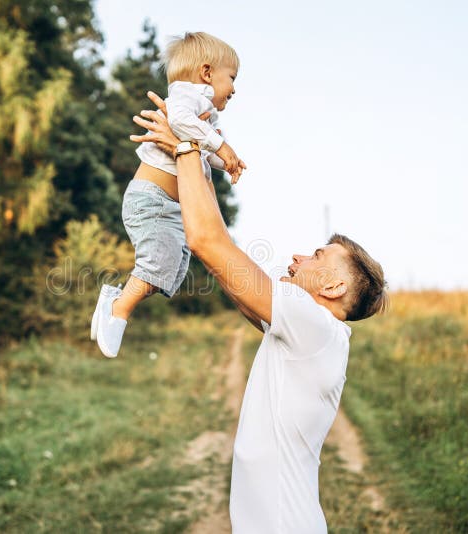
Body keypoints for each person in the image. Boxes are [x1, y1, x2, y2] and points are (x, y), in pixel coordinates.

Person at [129, 92, 388, 533]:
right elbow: (223, 254)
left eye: (315, 256)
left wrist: (188, 146)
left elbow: (208, 245)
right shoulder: (309, 331)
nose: (297, 258)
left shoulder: (314, 325)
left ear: (334, 285)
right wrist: (201, 160)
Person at [91, 31, 247, 358]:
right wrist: (222, 145)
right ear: (206, 74)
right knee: (159, 263)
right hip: (151, 201)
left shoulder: (203, 113)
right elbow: (178, 120)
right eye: (231, 78)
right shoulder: (186, 97)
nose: (234, 88)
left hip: (170, 209)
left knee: (173, 270)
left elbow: (200, 150)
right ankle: (119, 310)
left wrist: (225, 161)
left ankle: (113, 298)